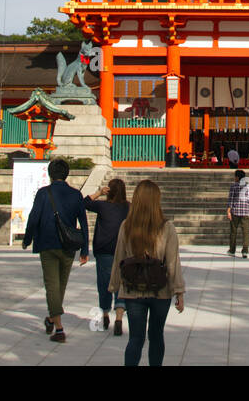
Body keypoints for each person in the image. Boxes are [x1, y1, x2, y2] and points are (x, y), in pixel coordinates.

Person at [108, 179, 185, 366]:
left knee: (135, 337)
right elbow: (173, 261)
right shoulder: (166, 227)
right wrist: (179, 291)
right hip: (161, 289)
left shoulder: (126, 226)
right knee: (156, 335)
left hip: (133, 289)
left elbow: (119, 257)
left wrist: (114, 285)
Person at [23, 157, 90, 343]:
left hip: (47, 243)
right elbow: (83, 224)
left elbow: (34, 218)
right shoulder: (76, 194)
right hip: (68, 245)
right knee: (60, 285)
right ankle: (53, 319)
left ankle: (58, 327)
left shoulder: (44, 193)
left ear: (50, 173)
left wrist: (27, 239)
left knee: (52, 285)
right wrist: (85, 249)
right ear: (66, 173)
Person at [84, 178, 129, 336]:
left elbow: (84, 203)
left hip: (104, 251)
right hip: (123, 251)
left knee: (104, 284)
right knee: (121, 284)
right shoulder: (128, 207)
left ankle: (104, 314)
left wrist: (99, 192)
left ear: (109, 191)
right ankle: (119, 318)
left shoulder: (102, 206)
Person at [226, 169, 249, 257]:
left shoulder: (234, 186)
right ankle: (245, 251)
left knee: (233, 231)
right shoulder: (248, 186)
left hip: (236, 210)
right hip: (245, 211)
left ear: (237, 177)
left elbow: (231, 199)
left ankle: (232, 250)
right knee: (245, 232)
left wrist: (229, 210)